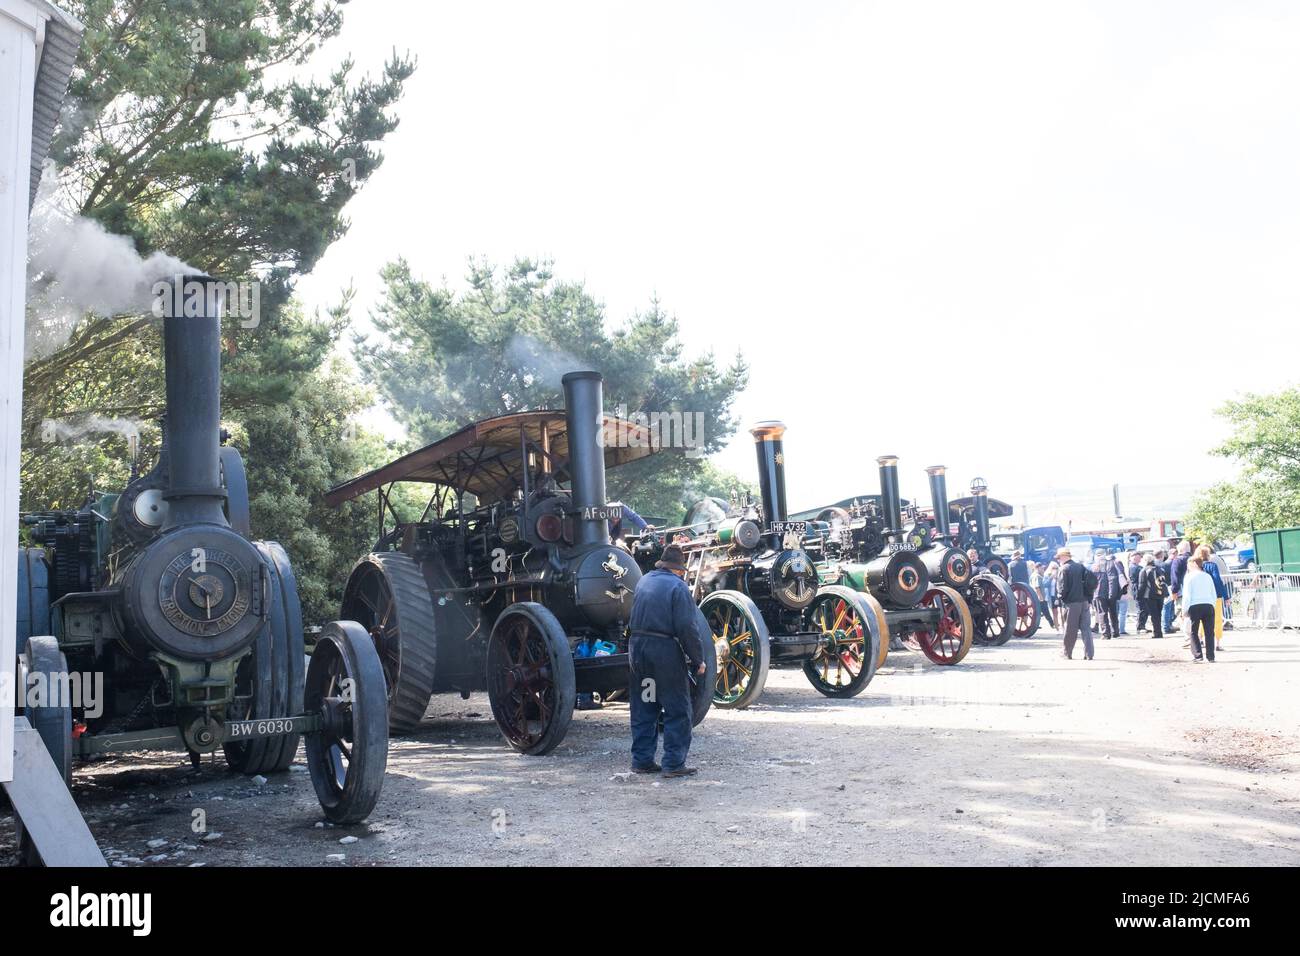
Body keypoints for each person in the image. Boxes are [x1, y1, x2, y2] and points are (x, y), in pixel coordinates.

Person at [627, 543, 706, 777]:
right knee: (678, 709)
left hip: (638, 651)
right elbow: (687, 628)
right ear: (679, 569)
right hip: (663, 652)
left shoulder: (643, 580)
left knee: (645, 704)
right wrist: (698, 659)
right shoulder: (678, 587)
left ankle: (641, 760)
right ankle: (673, 763)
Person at [1056, 548, 1095, 660]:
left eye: (1059, 557)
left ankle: (1067, 653)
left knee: (1070, 629)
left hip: (1072, 603)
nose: (1058, 560)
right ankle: (1089, 654)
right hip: (1084, 602)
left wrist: (1060, 598)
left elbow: (1062, 589)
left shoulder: (1063, 569)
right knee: (1086, 629)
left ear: (1063, 557)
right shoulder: (1081, 567)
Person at [1182, 550, 1218, 662]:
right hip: (1208, 605)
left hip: (1194, 605)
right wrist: (1212, 604)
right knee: (1209, 632)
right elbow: (1213, 593)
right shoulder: (1207, 576)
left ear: (1192, 564)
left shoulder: (1189, 577)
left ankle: (1198, 655)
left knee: (1194, 631)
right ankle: (1210, 656)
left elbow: (1187, 595)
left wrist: (1184, 610)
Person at [1200, 544, 1229, 652]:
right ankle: (1217, 643)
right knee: (1217, 620)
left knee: (1201, 620)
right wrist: (1225, 596)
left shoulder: (1197, 567)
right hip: (1214, 596)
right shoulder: (1212, 566)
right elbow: (1217, 581)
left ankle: (1201, 639)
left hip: (1201, 596)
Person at [1136, 553, 1165, 639]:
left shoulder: (1144, 570)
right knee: (1159, 614)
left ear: (1145, 561)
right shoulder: (1160, 569)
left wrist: (1139, 596)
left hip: (1149, 595)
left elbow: (1142, 585)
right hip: (1160, 594)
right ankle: (1159, 631)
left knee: (1154, 614)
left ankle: (1157, 633)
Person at [1168, 541, 1192, 633]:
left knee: (1182, 614)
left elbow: (1175, 578)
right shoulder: (1195, 559)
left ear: (1180, 550)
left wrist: (1174, 591)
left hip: (1182, 591)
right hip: (1195, 590)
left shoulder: (1178, 560)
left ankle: (1187, 637)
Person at [1093, 554, 1119, 639]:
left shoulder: (1095, 570)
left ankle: (1106, 633)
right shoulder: (1111, 568)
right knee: (1113, 612)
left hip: (1100, 593)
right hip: (1110, 593)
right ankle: (1115, 631)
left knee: (1102, 613)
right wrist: (1112, 593)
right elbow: (1113, 580)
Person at [1030, 562, 1052, 630]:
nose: (1043, 570)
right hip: (1039, 597)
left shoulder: (1033, 575)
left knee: (1037, 612)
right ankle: (1052, 623)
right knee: (1045, 611)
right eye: (1042, 568)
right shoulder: (1037, 576)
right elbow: (1037, 587)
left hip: (1035, 597)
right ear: (1038, 568)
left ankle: (1035, 625)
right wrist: (1040, 597)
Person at [1114, 553, 1132, 635]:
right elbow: (1125, 581)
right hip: (1122, 593)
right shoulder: (1120, 568)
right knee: (1122, 613)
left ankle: (1114, 628)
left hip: (1113, 593)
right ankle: (1121, 629)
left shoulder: (1110, 568)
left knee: (1114, 612)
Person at [1130, 552, 1148, 632]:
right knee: (1142, 608)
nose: (1140, 559)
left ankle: (1141, 625)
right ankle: (1140, 626)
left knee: (1143, 608)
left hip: (1138, 588)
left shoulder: (1137, 567)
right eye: (1138, 557)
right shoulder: (1135, 567)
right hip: (1138, 588)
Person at [1042, 561, 1060, 630]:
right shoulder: (1047, 575)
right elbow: (1045, 584)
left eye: (1056, 568)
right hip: (1051, 596)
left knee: (1063, 612)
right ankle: (1057, 628)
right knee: (1055, 613)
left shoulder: (1059, 575)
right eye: (1053, 568)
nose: (1055, 569)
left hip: (1059, 596)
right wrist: (1051, 577)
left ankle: (1064, 627)